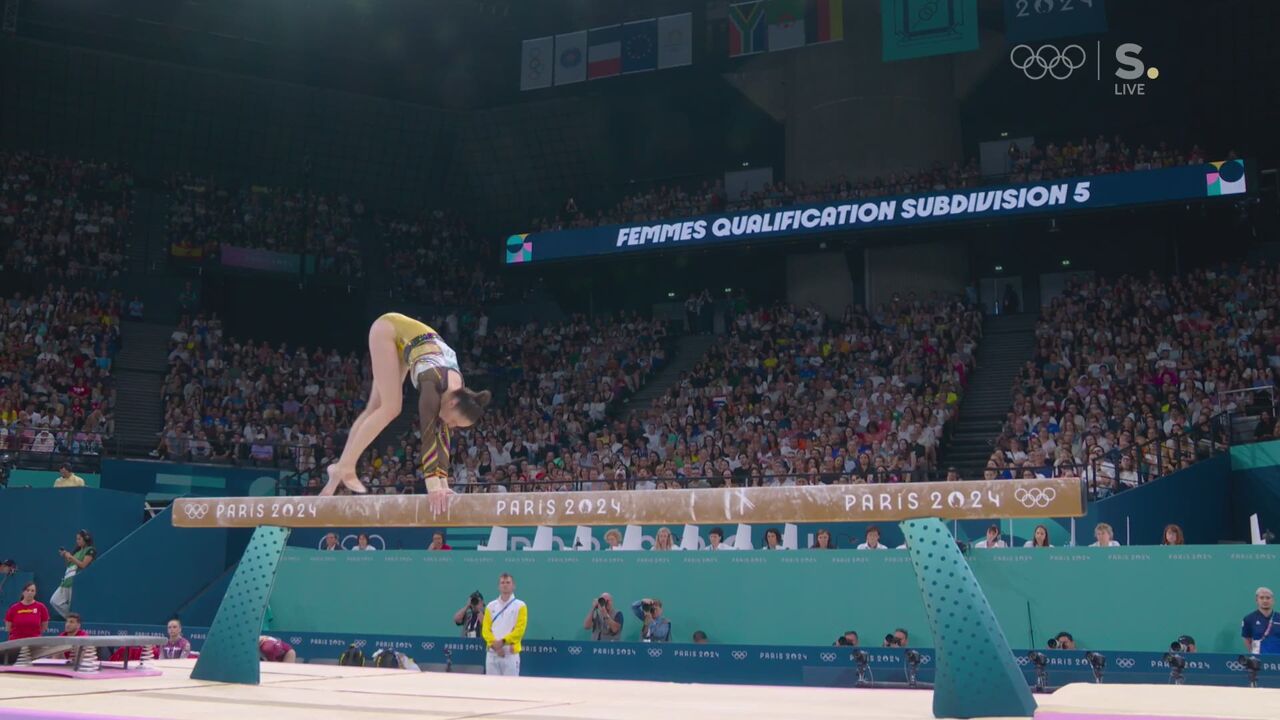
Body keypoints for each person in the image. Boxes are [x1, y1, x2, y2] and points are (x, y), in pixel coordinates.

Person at [320, 312, 491, 511]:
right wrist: (433, 487)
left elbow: (443, 438)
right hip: (389, 329)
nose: (451, 426)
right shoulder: (432, 383)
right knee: (391, 408)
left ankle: (341, 469)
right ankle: (345, 467)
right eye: (454, 422)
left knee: (375, 409)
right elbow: (428, 436)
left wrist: (444, 484)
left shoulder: (457, 390)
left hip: (410, 343)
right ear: (452, 404)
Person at [481, 573, 527, 676]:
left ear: (513, 586)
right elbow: (485, 630)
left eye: (508, 582)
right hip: (492, 654)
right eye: (502, 582)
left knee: (510, 689)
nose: (505, 585)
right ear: (498, 586)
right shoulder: (490, 606)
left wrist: (503, 641)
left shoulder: (520, 606)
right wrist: (496, 647)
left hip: (510, 654)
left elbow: (519, 631)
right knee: (491, 689)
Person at [51, 530, 96, 618]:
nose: (77, 541)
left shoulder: (90, 550)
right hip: (66, 581)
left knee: (74, 605)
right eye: (76, 539)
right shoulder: (77, 551)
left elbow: (83, 565)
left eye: (79, 539)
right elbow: (68, 564)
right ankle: (72, 618)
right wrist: (65, 556)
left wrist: (71, 557)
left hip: (75, 582)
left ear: (86, 539)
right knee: (54, 601)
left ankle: (73, 620)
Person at [1241, 587, 1279, 655]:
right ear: (1256, 600)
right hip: (1258, 660)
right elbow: (1247, 640)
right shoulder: (1249, 619)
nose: (1265, 601)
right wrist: (1254, 654)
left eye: (1268, 598)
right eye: (1261, 598)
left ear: (1273, 600)